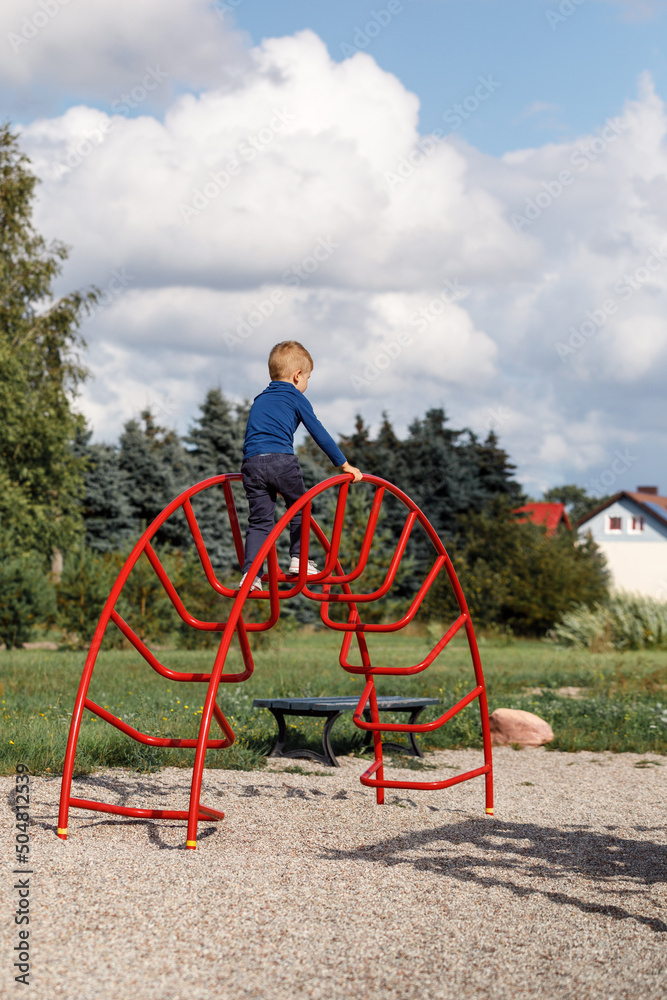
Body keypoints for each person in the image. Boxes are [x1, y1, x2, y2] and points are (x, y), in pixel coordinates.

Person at [239, 340, 362, 590]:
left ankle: (251, 575)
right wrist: (344, 464)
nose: (307, 383)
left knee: (260, 521)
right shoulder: (295, 397)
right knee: (300, 506)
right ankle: (299, 558)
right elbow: (319, 433)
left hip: (251, 464)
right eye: (308, 377)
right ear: (297, 376)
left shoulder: (260, 399)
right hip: (281, 461)